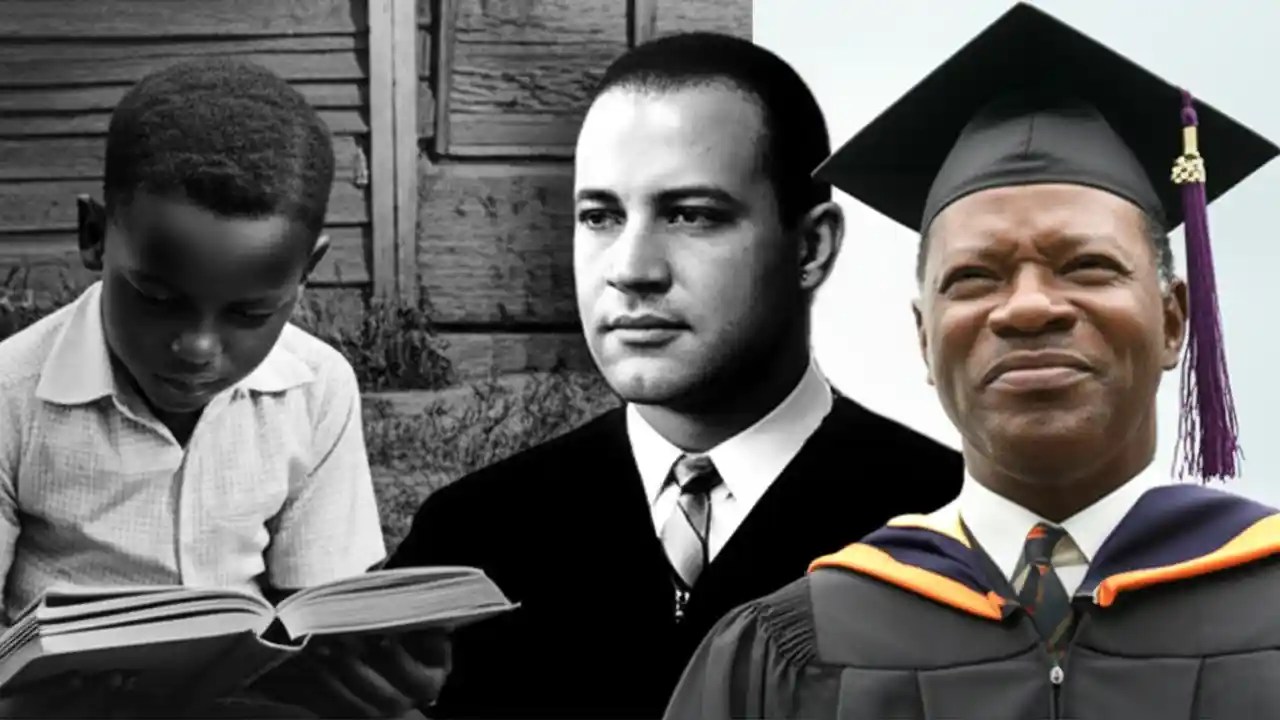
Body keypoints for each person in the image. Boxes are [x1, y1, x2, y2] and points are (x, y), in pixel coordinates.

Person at [664, 4, 1280, 719]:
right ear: (925, 339)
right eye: (975, 278)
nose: (1026, 308)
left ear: (1174, 320)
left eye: (1085, 266)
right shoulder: (786, 651)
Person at [385, 31, 963, 719]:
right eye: (599, 216)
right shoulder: (472, 537)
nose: (631, 269)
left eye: (691, 216)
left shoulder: (944, 525)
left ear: (809, 246)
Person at [0, 57, 448, 718]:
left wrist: (378, 670)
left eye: (250, 314)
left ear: (308, 271)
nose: (198, 350)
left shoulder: (316, 388)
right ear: (94, 235)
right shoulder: (12, 394)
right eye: (156, 297)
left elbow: (319, 608)